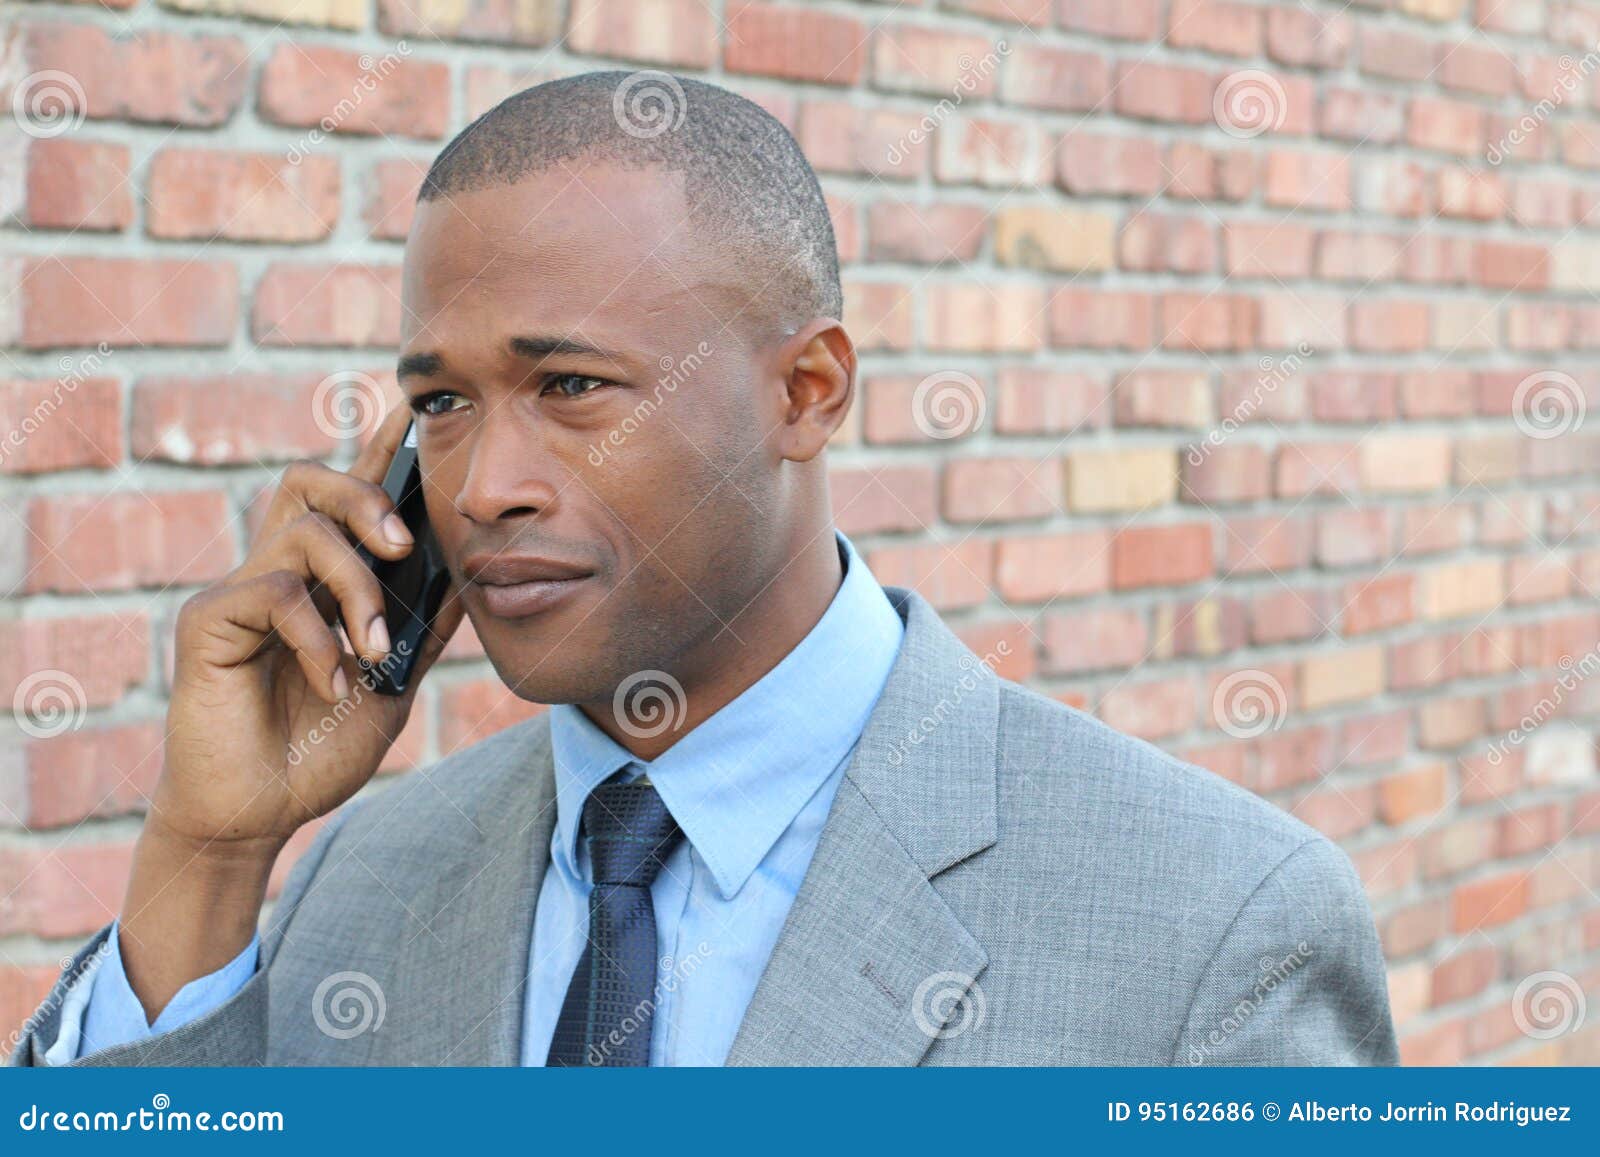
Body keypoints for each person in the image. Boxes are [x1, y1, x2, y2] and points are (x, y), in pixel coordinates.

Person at [12, 72, 1397, 1067]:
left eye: (570, 384)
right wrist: (208, 852)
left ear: (806, 390)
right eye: (439, 405)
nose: (487, 485)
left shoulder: (1218, 929)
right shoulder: (359, 876)